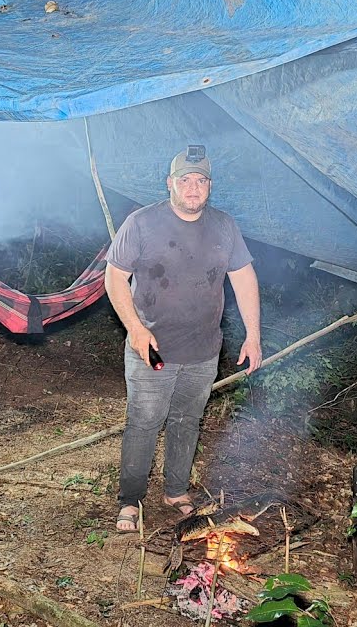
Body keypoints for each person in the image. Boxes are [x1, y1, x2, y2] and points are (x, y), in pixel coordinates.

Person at [104, 145, 262, 533]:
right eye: (185, 180)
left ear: (210, 186)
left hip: (205, 349)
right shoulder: (141, 223)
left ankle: (175, 490)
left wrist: (253, 336)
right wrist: (136, 329)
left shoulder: (224, 226)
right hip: (152, 348)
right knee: (143, 422)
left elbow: (243, 278)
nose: (193, 188)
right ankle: (131, 499)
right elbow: (114, 277)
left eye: (201, 180)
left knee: (187, 421)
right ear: (170, 183)